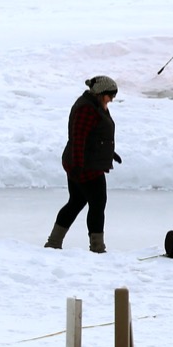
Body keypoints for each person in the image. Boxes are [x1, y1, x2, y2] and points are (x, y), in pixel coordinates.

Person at [46, 75, 121, 253]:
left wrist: (110, 153)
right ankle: (97, 247)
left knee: (76, 202)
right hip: (85, 166)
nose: (111, 100)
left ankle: (53, 242)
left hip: (85, 162)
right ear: (100, 93)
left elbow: (97, 135)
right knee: (97, 204)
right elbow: (78, 139)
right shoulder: (86, 109)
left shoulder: (95, 105)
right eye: (110, 96)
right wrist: (78, 168)